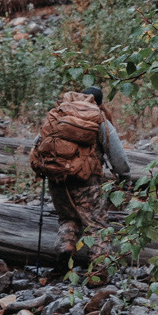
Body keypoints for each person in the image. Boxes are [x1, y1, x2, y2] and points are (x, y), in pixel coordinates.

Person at [29, 83, 131, 274]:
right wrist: (125, 177)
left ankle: (64, 252)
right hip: (86, 182)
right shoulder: (99, 120)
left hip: (58, 179)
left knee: (68, 218)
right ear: (99, 103)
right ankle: (99, 273)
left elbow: (37, 144)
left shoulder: (61, 116)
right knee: (97, 225)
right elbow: (118, 156)